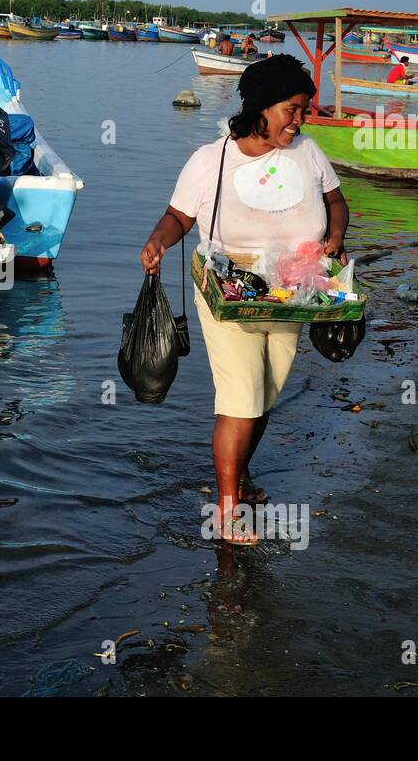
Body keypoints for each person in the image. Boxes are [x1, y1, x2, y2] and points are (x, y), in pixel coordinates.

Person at [139, 54, 349, 544]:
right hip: (227, 289)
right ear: (259, 107)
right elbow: (178, 216)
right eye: (292, 109)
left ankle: (242, 476)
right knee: (240, 395)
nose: (300, 120)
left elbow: (336, 201)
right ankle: (227, 510)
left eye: (303, 110)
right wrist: (158, 241)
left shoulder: (309, 153)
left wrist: (335, 237)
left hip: (293, 289)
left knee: (266, 391)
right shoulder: (210, 161)